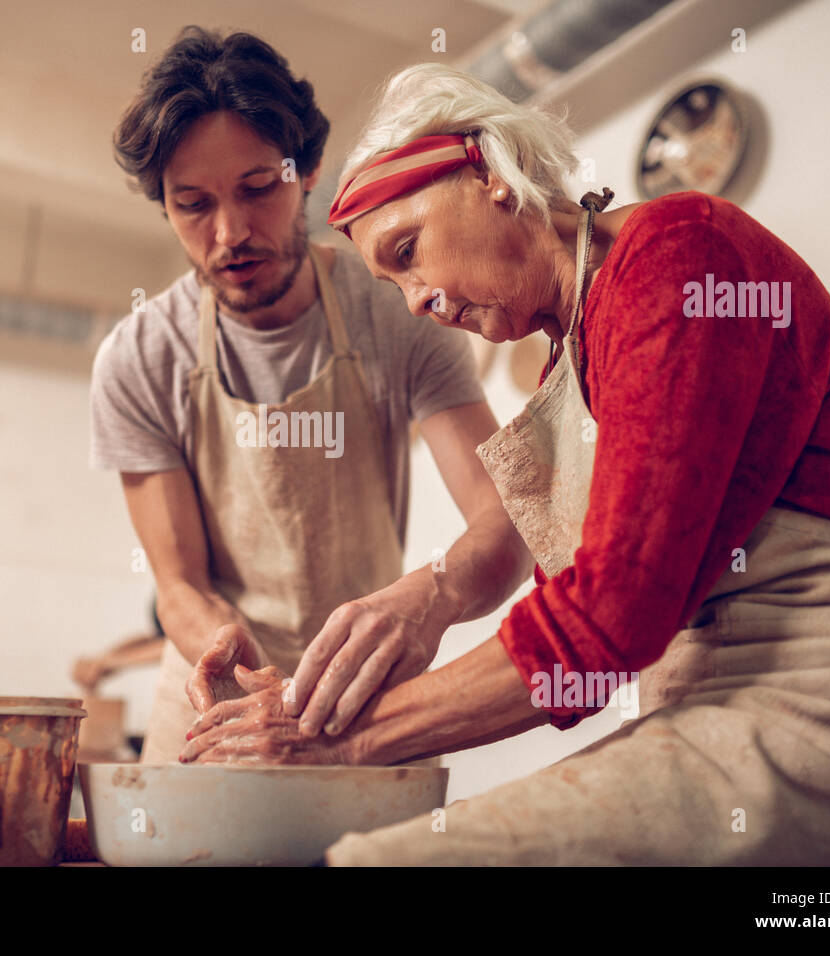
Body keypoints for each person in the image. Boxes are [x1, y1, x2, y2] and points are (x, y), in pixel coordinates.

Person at [181, 62, 830, 866]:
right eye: (391, 282)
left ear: (493, 178)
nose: (416, 304)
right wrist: (319, 709)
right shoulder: (568, 366)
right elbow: (574, 639)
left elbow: (612, 617)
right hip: (713, 707)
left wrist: (334, 740)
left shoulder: (684, 251)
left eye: (408, 252)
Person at [91, 32, 532, 763]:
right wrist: (216, 643)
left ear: (309, 171)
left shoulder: (396, 309)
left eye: (259, 188)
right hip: (213, 694)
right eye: (192, 204)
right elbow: (178, 584)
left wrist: (434, 596)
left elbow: (504, 522)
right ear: (163, 206)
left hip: (362, 689)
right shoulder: (140, 358)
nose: (230, 233)